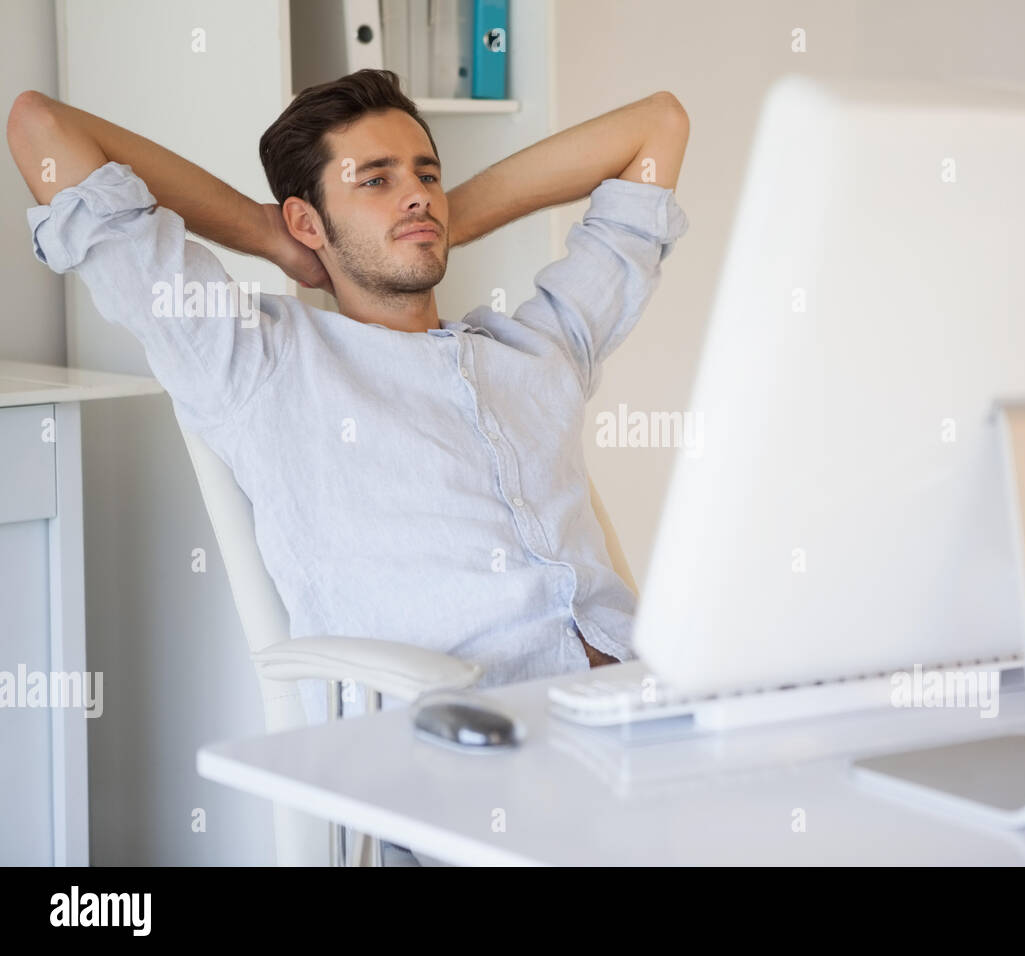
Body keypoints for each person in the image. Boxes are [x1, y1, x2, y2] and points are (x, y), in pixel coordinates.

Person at [8, 69, 690, 726]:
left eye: (428, 175)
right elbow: (43, 126)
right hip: (470, 752)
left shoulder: (540, 345)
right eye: (374, 179)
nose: (417, 194)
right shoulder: (257, 363)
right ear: (307, 221)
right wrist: (272, 234)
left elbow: (657, 126)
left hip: (651, 705)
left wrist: (420, 220)